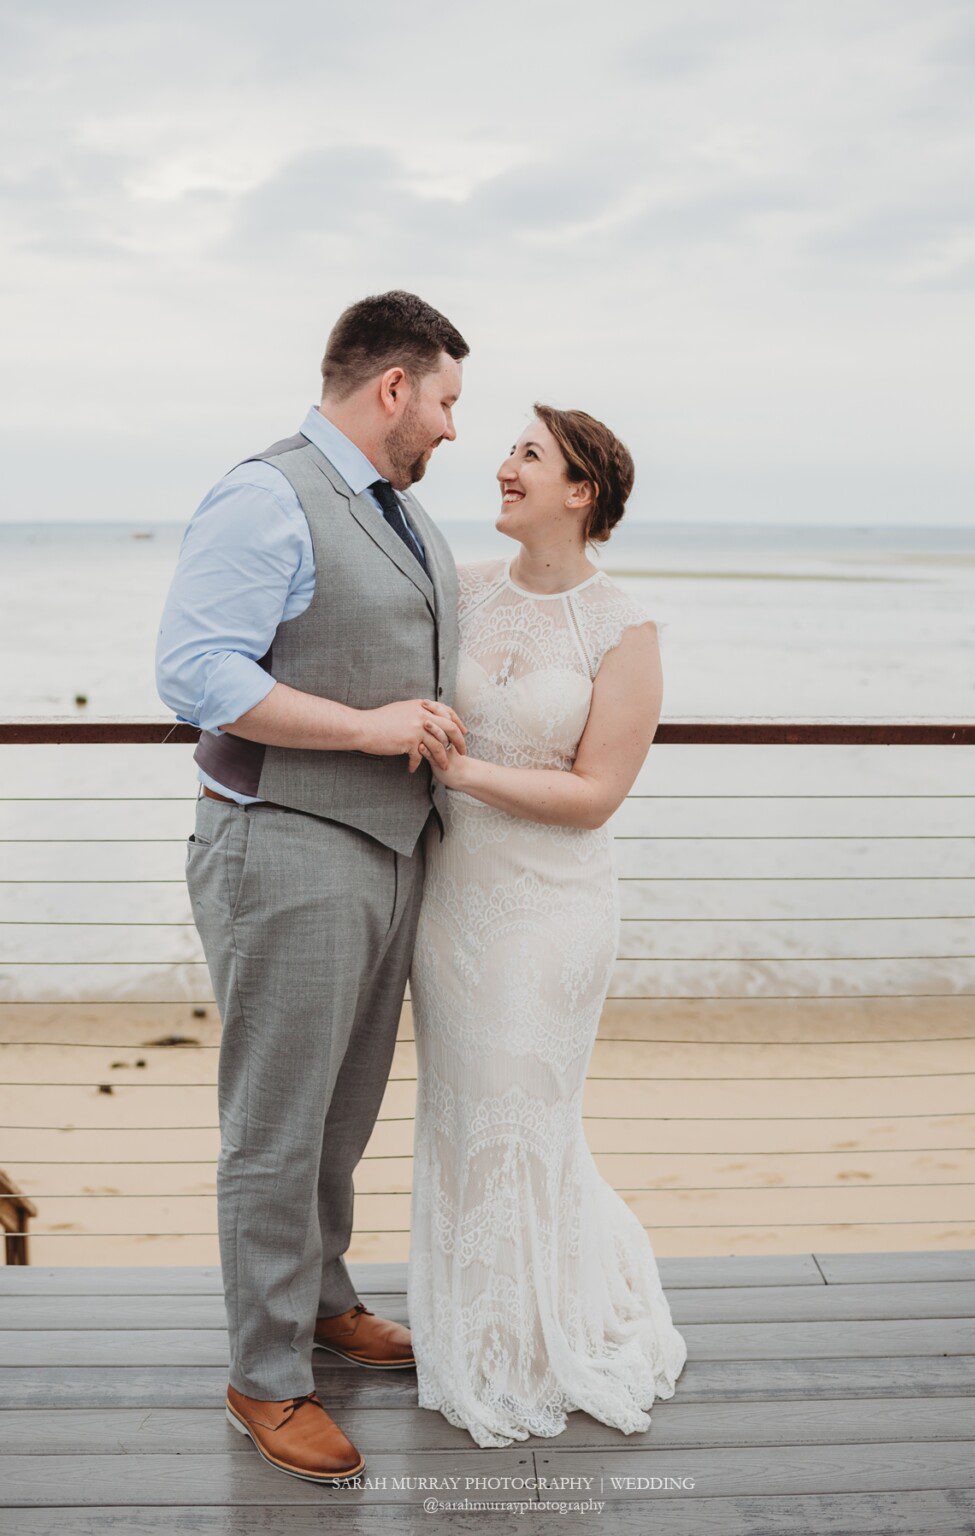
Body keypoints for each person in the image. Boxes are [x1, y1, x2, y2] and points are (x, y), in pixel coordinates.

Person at [154, 290, 469, 1485]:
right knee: (276, 1126)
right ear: (393, 389)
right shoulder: (267, 492)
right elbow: (196, 673)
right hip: (284, 839)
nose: (450, 428)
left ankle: (324, 1298)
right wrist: (367, 727)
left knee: (342, 1110)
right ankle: (266, 1374)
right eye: (444, 401)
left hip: (389, 848)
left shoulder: (398, 512)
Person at [406, 404, 687, 1446]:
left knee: (528, 1110)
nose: (502, 468)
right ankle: (473, 1332)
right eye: (509, 452)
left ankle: (536, 1340)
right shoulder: (463, 594)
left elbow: (598, 792)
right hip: (456, 900)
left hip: (555, 907)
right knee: (466, 1112)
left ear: (582, 493)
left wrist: (467, 768)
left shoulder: (623, 630)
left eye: (528, 455)